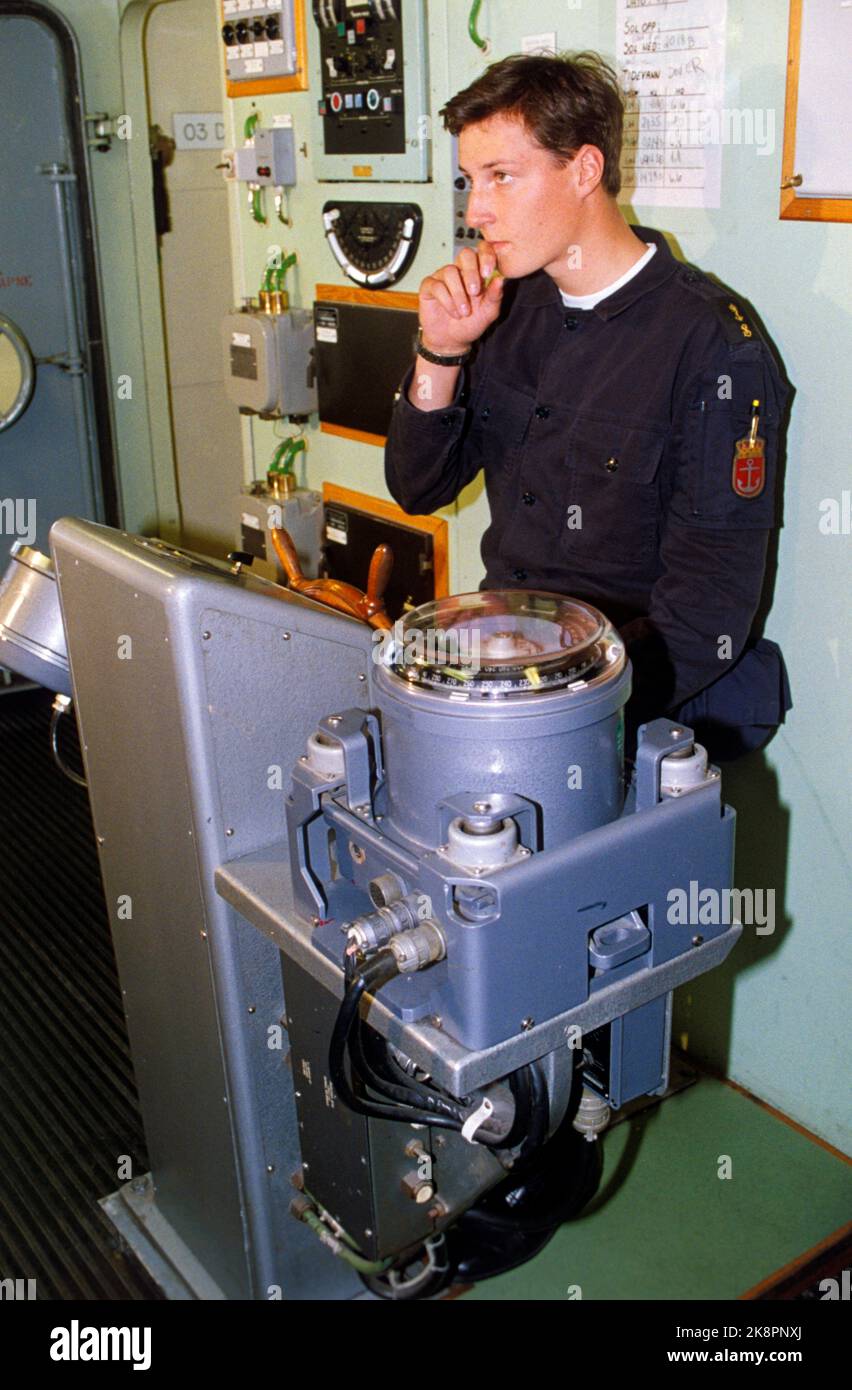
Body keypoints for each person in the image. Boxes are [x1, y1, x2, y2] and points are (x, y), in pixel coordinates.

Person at [384, 52, 792, 759]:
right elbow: (418, 488)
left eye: (501, 177)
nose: (476, 210)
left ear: (584, 170)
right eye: (471, 181)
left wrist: (544, 711)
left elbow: (704, 618)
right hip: (506, 679)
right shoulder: (506, 309)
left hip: (623, 711)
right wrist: (441, 351)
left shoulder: (713, 345)